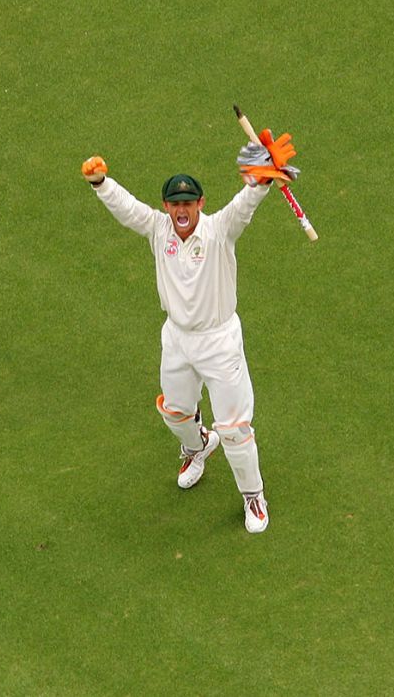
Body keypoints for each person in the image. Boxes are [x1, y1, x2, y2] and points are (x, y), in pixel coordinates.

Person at [80, 141, 288, 533]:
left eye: (188, 203)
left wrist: (261, 184)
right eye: (175, 204)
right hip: (176, 339)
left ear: (200, 204)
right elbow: (129, 210)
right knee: (174, 411)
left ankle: (253, 496)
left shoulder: (219, 230)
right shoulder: (159, 230)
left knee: (235, 429)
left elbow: (244, 207)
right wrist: (101, 183)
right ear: (166, 207)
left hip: (219, 342)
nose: (181, 210)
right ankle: (196, 446)